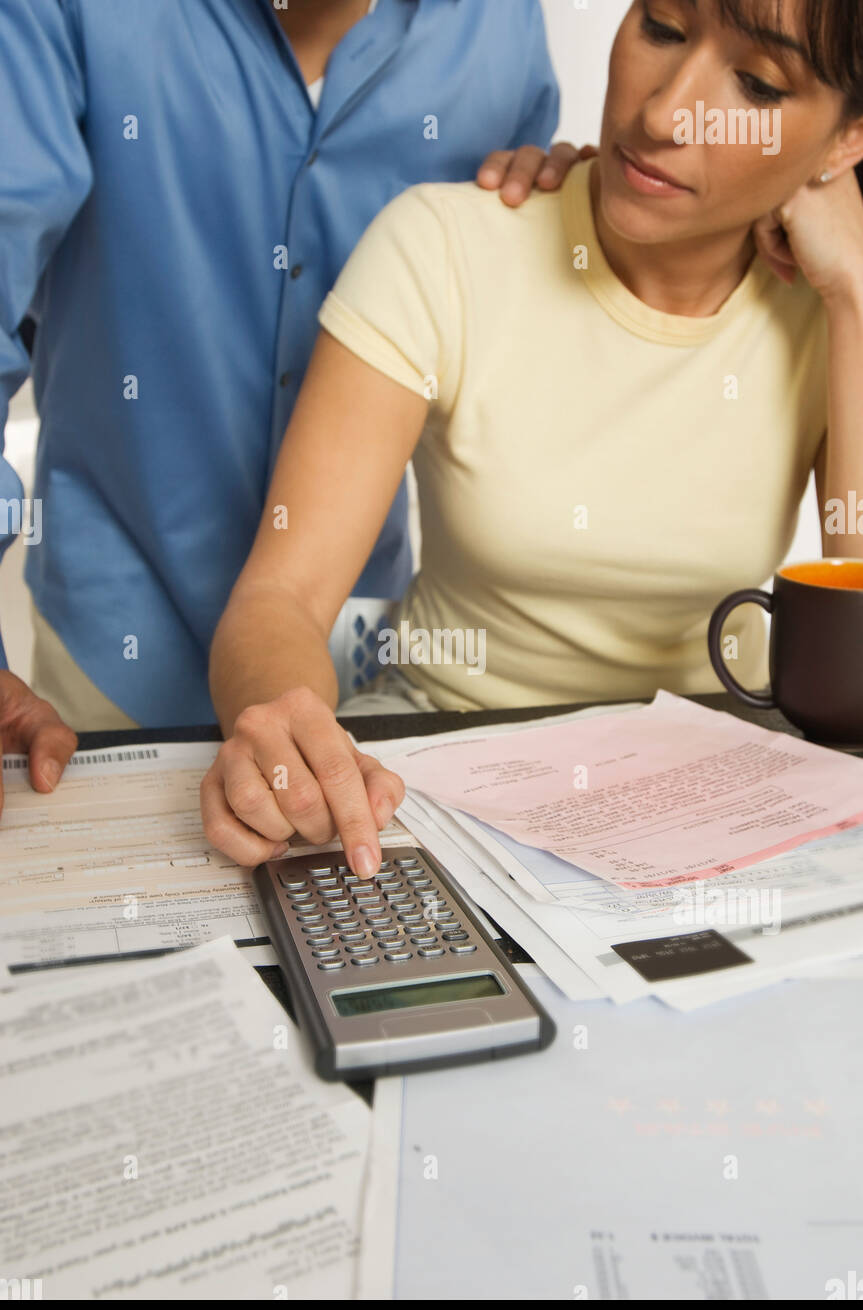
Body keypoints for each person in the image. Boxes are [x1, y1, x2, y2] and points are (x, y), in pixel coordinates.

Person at [202, 0, 863, 880]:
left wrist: (854, 301)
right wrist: (285, 728)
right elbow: (279, 596)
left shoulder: (828, 306)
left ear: (844, 142)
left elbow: (854, 680)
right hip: (435, 774)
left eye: (753, 82)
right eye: (660, 28)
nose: (664, 114)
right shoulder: (442, 244)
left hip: (717, 797)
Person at [0, 0, 572, 813]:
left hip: (358, 658)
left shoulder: (500, 24)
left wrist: (586, 202)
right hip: (112, 644)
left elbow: (501, 292)